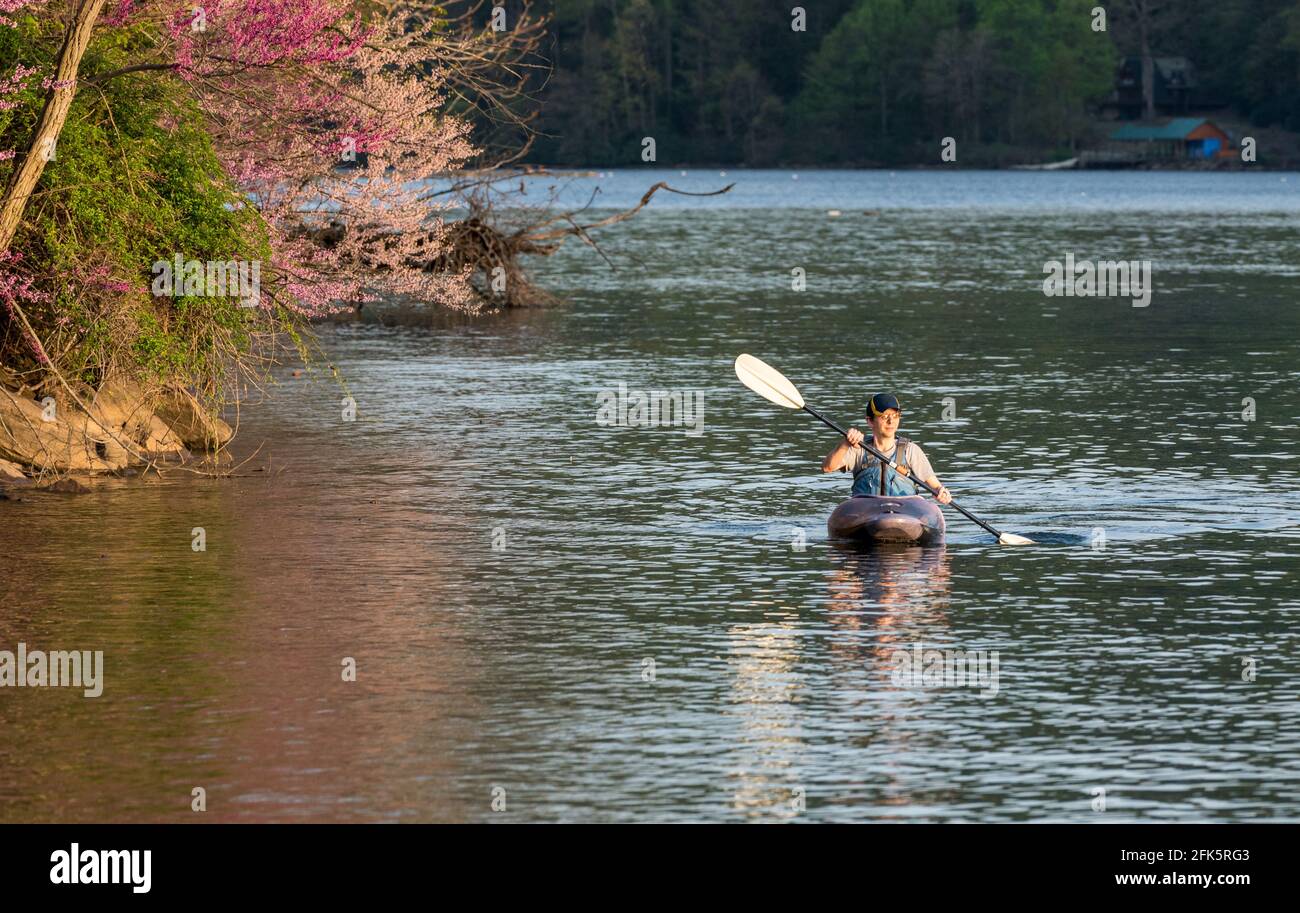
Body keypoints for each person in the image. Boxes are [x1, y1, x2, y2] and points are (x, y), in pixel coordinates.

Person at [821, 392, 952, 503]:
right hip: (866, 514)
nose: (891, 421)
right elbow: (827, 468)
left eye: (895, 416)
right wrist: (845, 443)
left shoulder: (910, 450)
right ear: (870, 421)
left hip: (904, 516)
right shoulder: (858, 448)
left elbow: (935, 486)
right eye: (884, 416)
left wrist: (941, 492)